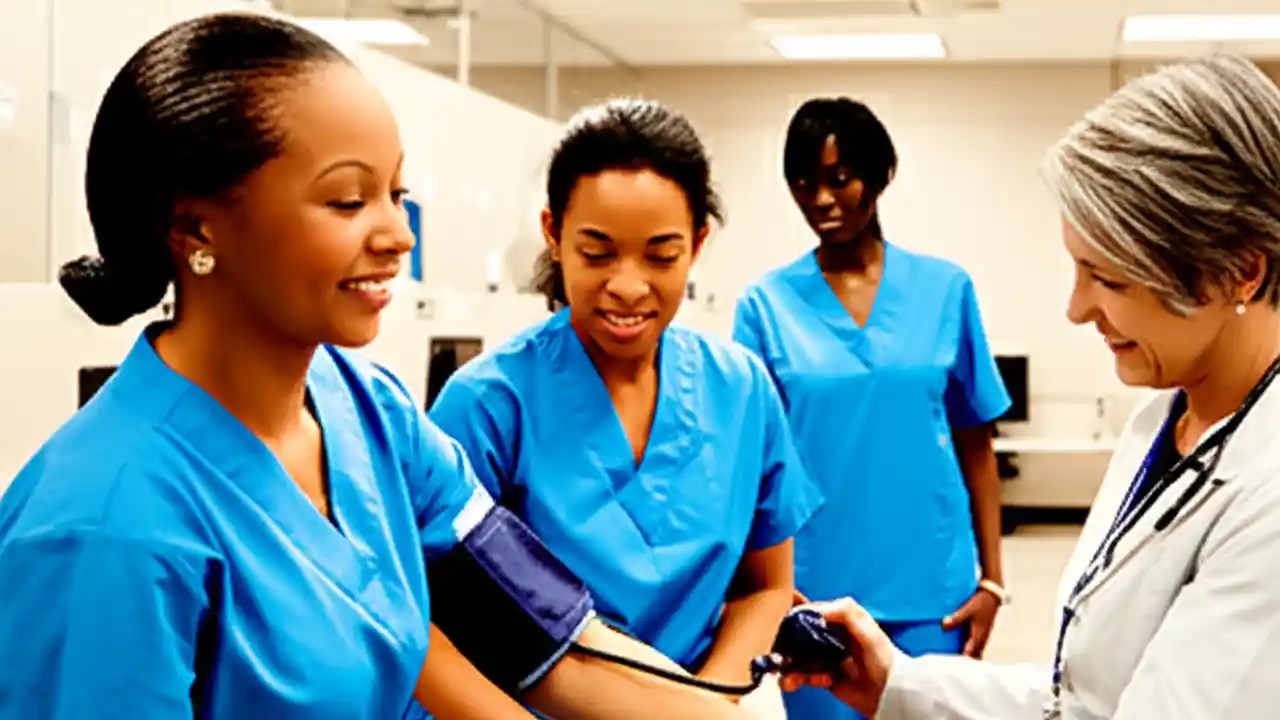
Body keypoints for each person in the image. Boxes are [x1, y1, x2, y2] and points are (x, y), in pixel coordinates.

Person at [0, 14, 761, 720]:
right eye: (347, 200)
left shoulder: (369, 413)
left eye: (396, 194)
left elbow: (549, 640)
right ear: (197, 225)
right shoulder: (104, 527)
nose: (399, 235)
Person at [781, 52, 1280, 720]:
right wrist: (898, 683)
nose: (1076, 309)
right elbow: (1082, 697)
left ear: (1241, 271)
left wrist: (987, 578)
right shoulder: (1160, 423)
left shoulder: (1267, 496)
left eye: (1109, 278)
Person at [427, 98, 824, 705]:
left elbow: (764, 588)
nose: (629, 286)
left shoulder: (741, 390)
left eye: (661, 255)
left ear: (697, 242)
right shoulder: (489, 406)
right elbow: (440, 626)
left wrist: (704, 705)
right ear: (553, 235)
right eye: (598, 252)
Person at [732, 98, 1011, 718]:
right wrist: (759, 589)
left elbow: (975, 443)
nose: (822, 200)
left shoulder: (946, 290)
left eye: (840, 179)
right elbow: (751, 464)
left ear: (881, 176)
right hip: (814, 592)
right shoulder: (765, 305)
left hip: (932, 589)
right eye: (805, 183)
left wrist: (992, 580)